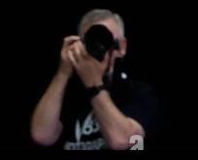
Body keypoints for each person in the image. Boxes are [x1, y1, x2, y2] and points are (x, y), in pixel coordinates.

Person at [30, 9, 159, 150]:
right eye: (91, 41)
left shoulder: (139, 92)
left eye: (105, 40)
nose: (98, 48)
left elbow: (122, 141)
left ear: (121, 47)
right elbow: (42, 136)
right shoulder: (66, 93)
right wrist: (63, 73)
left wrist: (93, 83)